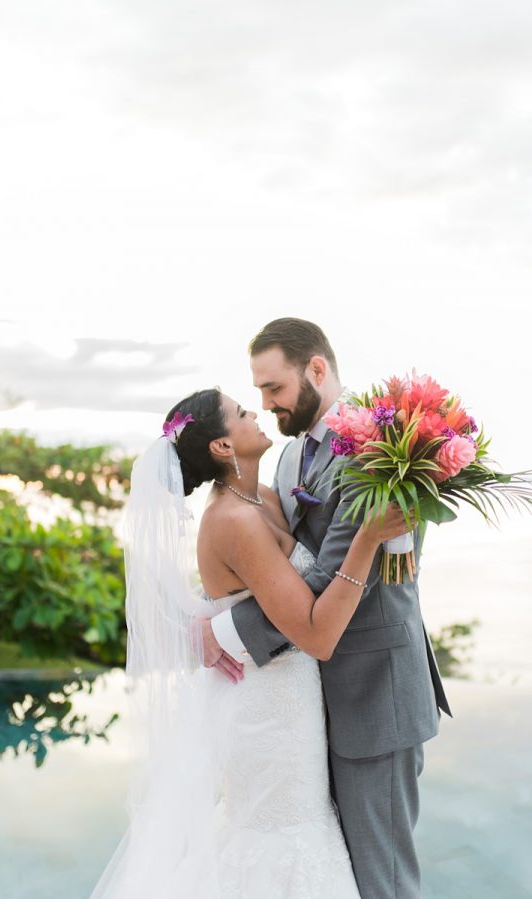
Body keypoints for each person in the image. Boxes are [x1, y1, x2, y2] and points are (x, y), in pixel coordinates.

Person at [90, 386, 415, 899]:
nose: (257, 410)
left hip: (293, 695)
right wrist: (368, 539)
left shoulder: (262, 497)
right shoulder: (235, 520)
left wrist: (213, 621)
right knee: (277, 840)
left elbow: (274, 588)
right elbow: (315, 633)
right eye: (242, 412)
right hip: (270, 709)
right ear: (222, 447)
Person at [202, 318, 452, 899]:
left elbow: (333, 582)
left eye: (274, 388)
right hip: (309, 716)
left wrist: (229, 630)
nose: (265, 405)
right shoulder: (289, 461)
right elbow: (289, 575)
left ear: (316, 368)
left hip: (374, 696)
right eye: (258, 393)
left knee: (382, 882)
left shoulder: (382, 452)